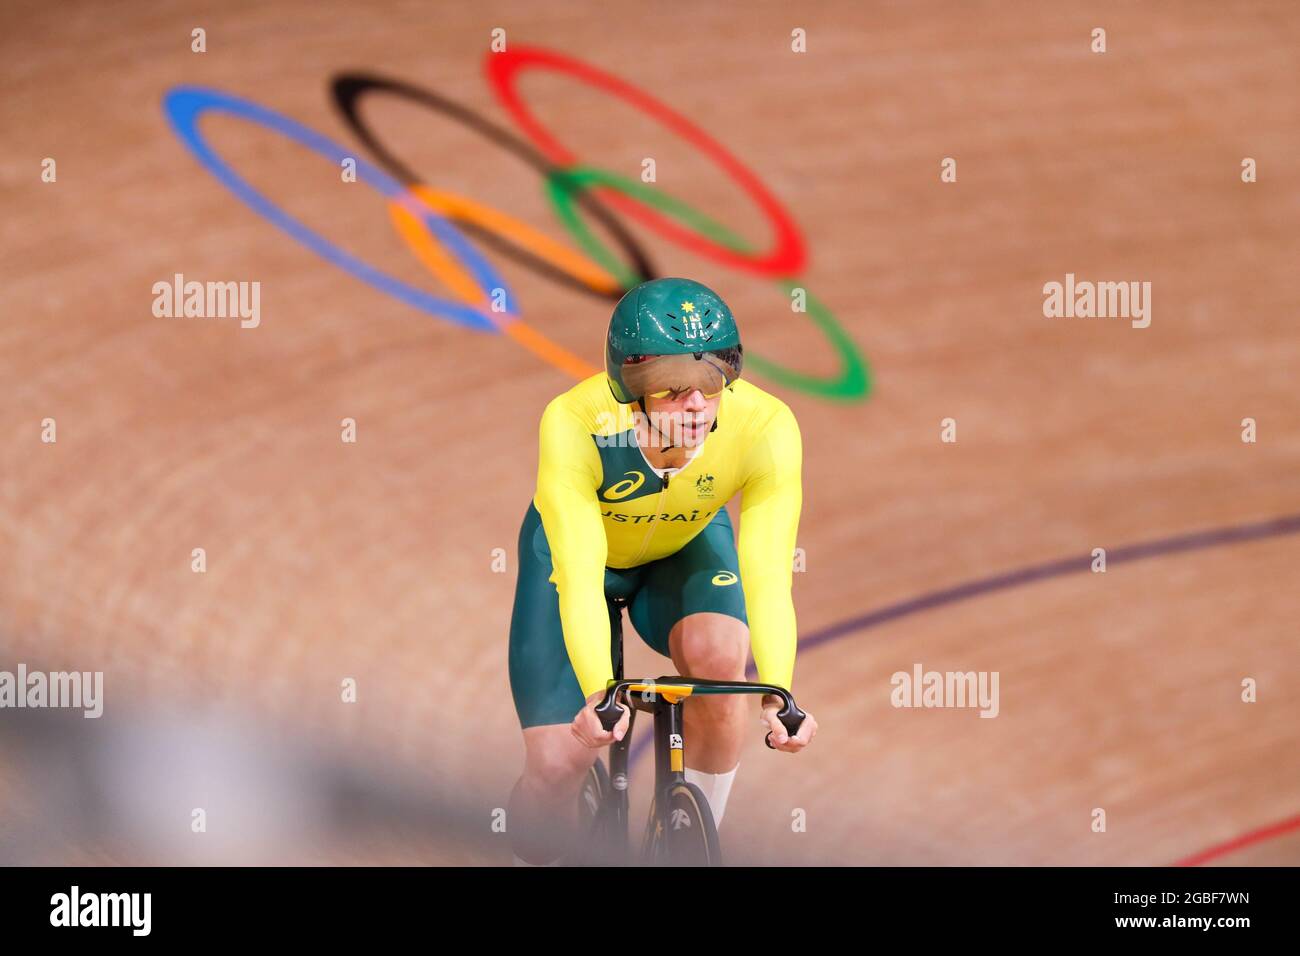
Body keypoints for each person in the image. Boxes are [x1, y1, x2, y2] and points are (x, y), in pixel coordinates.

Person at [507, 277, 816, 864]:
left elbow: (769, 578)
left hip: (684, 550)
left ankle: (691, 843)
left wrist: (780, 692)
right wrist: (601, 691)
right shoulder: (575, 421)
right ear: (632, 387)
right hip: (575, 562)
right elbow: (578, 571)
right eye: (672, 389)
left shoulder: (766, 428)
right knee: (556, 766)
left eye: (711, 381)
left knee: (724, 661)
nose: (696, 404)